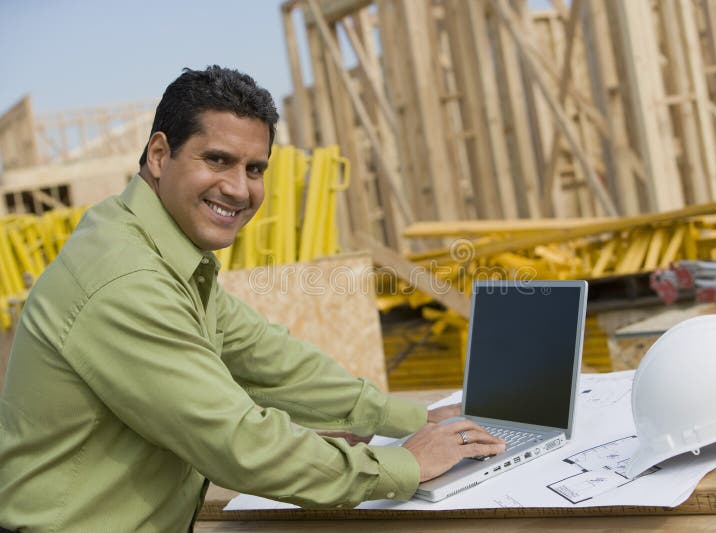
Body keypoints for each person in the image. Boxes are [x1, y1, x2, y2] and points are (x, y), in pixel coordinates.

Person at [0, 66, 504, 532]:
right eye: (217, 160)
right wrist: (407, 463)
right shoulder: (126, 281)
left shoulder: (156, 249)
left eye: (255, 168)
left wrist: (414, 421)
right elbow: (238, 444)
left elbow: (270, 359)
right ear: (159, 155)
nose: (239, 189)